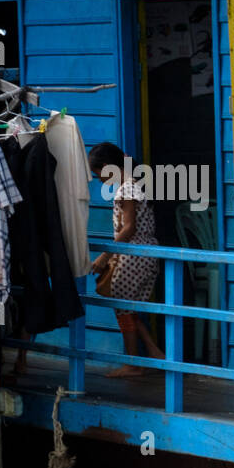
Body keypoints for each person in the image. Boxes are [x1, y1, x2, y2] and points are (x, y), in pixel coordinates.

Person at [87, 143, 164, 377]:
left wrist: (105, 256)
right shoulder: (133, 184)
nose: (98, 179)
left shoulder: (126, 188)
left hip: (133, 254)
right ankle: (154, 353)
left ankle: (133, 363)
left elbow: (128, 228)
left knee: (122, 306)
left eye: (97, 173)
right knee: (127, 307)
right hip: (140, 253)